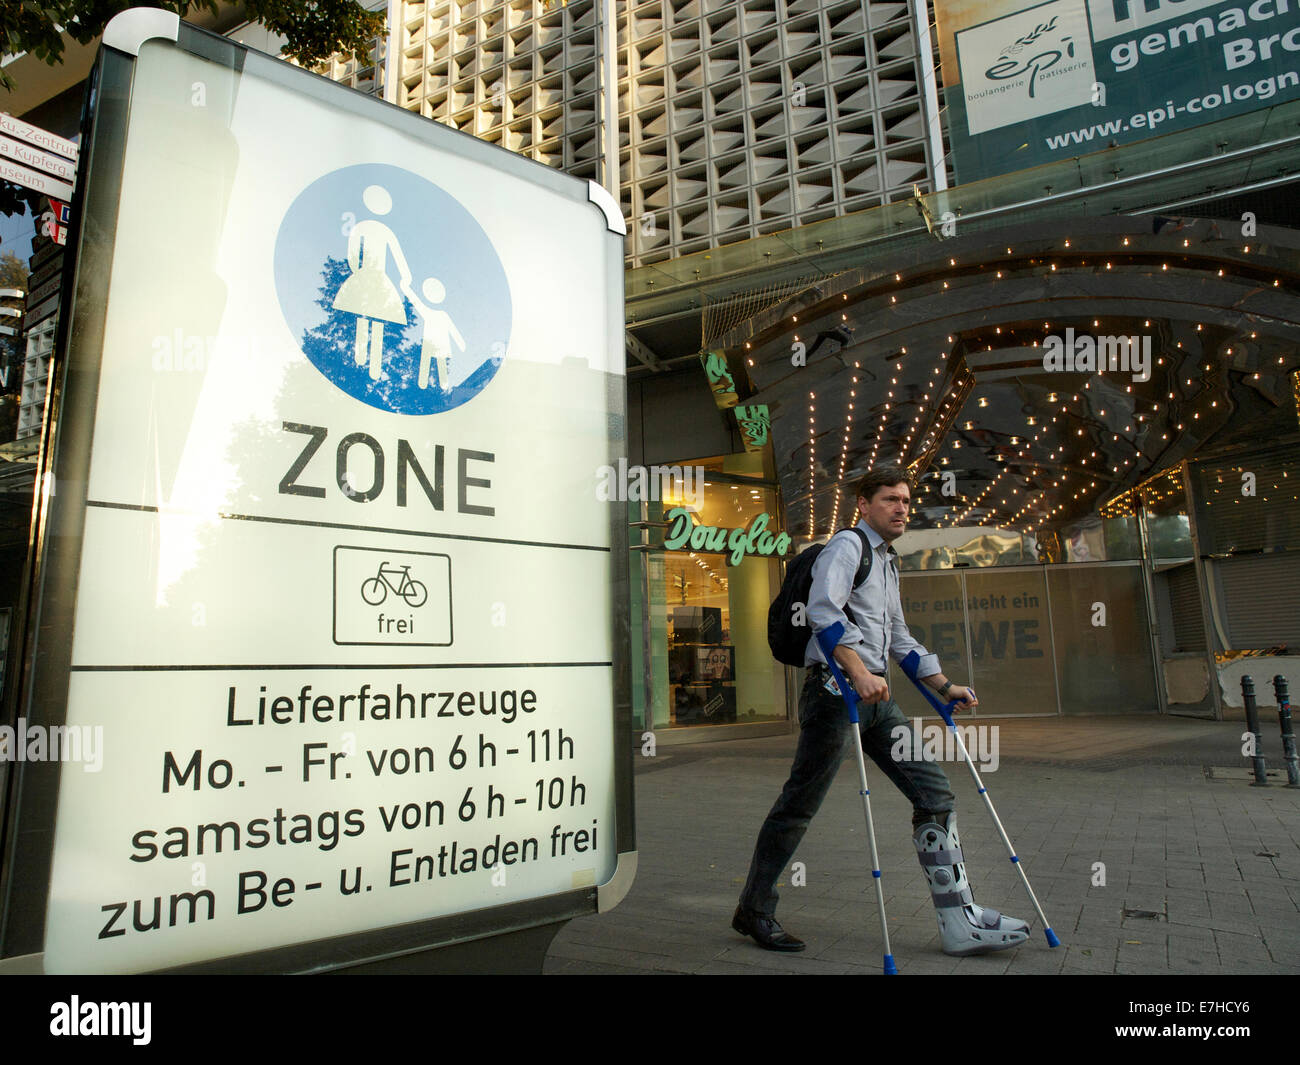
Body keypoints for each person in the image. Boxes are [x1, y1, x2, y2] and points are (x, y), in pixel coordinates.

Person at [733, 467, 1029, 956]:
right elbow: (824, 611)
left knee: (934, 792)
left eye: (907, 501)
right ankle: (754, 908)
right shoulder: (846, 548)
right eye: (891, 499)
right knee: (799, 804)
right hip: (835, 696)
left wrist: (944, 684)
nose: (902, 508)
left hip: (878, 701)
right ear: (865, 505)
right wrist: (857, 670)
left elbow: (899, 638)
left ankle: (960, 918)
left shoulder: (887, 561)